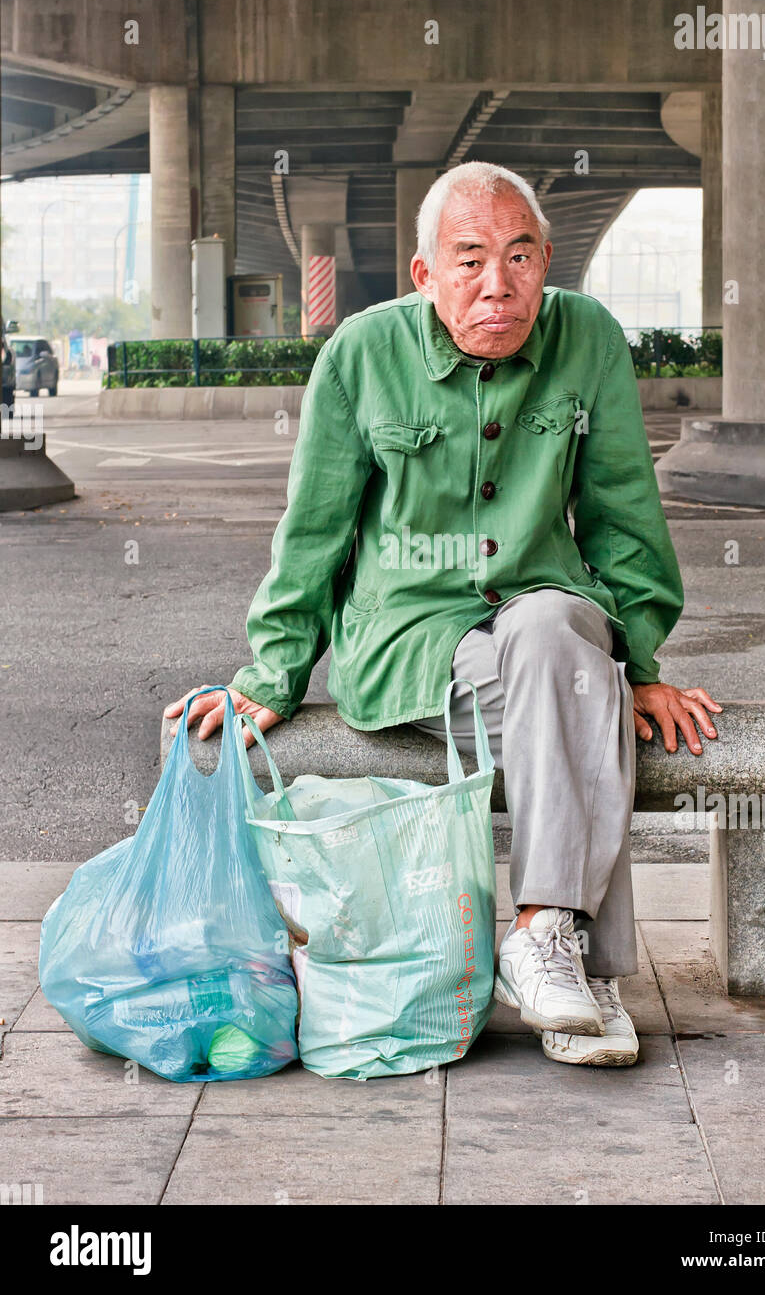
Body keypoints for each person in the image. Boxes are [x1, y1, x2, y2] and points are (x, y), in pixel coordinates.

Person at [165, 161, 721, 1068]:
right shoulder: (361, 354)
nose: (496, 284)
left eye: (519, 257)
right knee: (589, 697)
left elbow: (625, 519)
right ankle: (587, 966)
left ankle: (542, 934)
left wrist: (645, 660)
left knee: (558, 640)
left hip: (549, 616)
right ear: (426, 275)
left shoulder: (588, 339)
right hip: (412, 637)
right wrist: (271, 675)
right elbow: (314, 531)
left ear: (547, 260)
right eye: (468, 261)